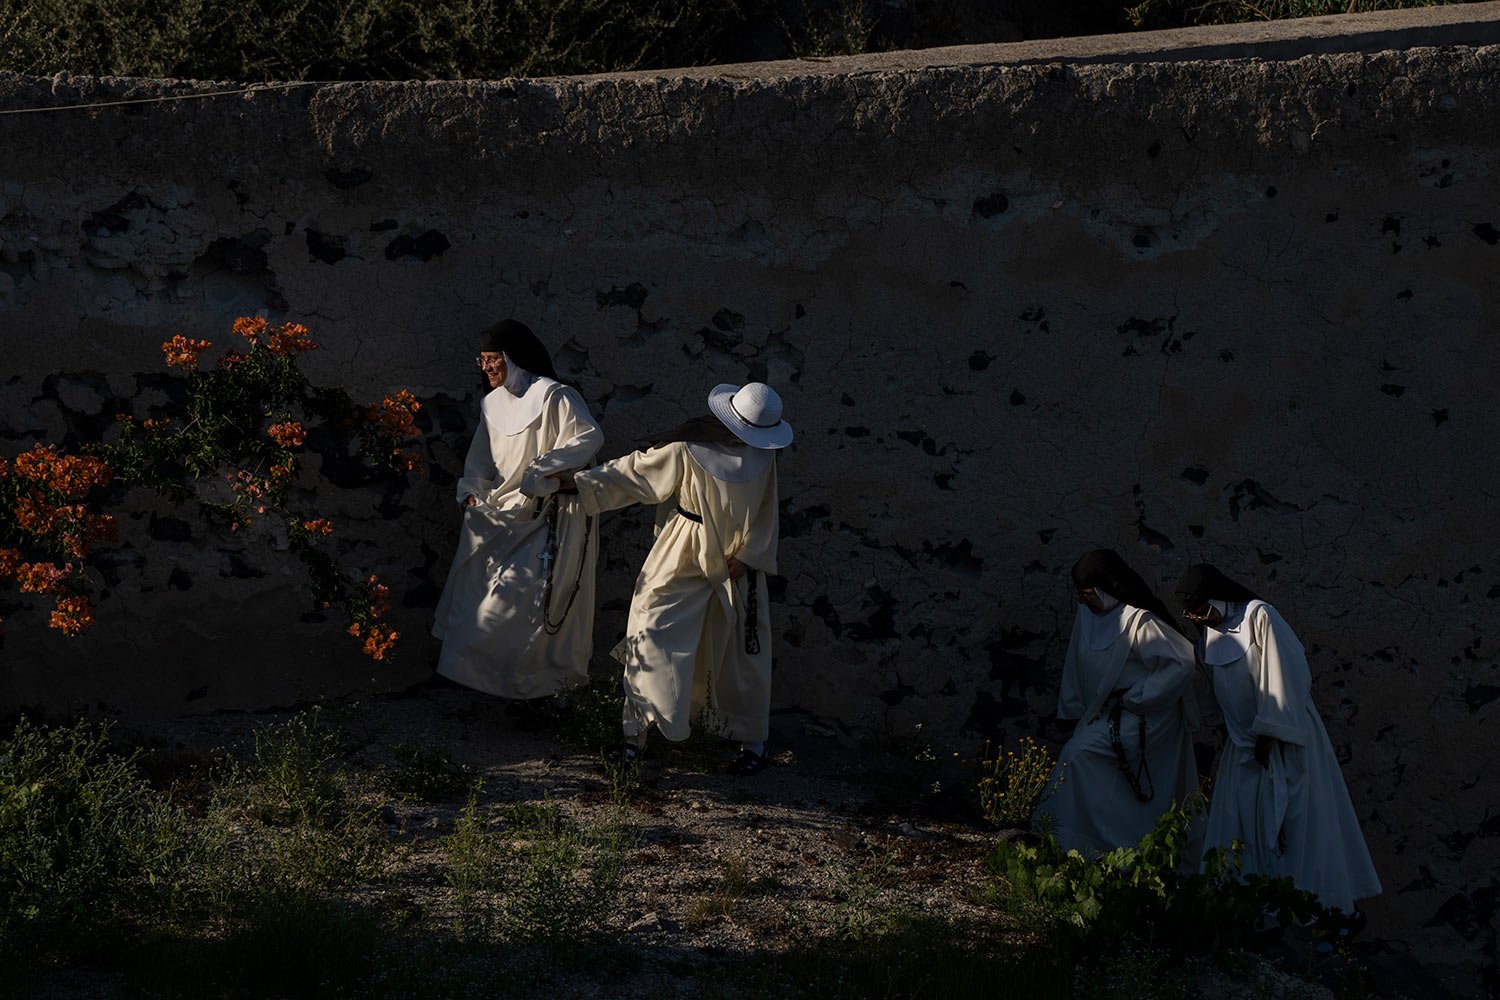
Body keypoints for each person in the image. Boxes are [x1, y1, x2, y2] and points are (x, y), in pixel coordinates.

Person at [556, 382, 790, 775]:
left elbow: (767, 512)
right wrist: (581, 483)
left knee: (742, 650)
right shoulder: (687, 449)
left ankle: (754, 745)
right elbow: (637, 472)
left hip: (736, 564)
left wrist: (749, 557)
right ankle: (635, 739)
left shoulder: (765, 459)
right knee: (650, 629)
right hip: (682, 554)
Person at [1175, 563, 1381, 916]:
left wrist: (1270, 733)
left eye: (1200, 609)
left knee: (1297, 828)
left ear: (1217, 599)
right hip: (1243, 747)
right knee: (1240, 824)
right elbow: (1221, 689)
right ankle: (1256, 913)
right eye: (1191, 614)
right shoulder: (1209, 629)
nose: (1197, 618)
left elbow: (1287, 674)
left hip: (1282, 741)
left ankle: (1323, 913)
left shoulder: (1260, 617)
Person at [431, 319, 603, 702]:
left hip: (550, 516)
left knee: (533, 609)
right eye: (483, 360)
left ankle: (537, 692)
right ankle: (503, 686)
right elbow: (480, 460)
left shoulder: (554, 396)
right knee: (488, 601)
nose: (487, 367)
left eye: (494, 359)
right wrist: (472, 492)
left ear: (515, 359)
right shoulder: (492, 405)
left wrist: (541, 471)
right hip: (507, 514)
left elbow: (589, 437)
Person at [1036, 550, 1201, 855]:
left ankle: (1086, 844)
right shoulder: (1087, 615)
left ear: (1107, 589)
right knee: (1084, 759)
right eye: (1080, 594)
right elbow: (1076, 663)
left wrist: (1137, 698)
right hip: (1108, 713)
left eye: (1089, 594)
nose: (1084, 601)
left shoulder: (1139, 620)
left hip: (1148, 716)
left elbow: (1181, 662)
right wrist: (1073, 709)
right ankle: (1081, 844)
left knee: (1081, 754)